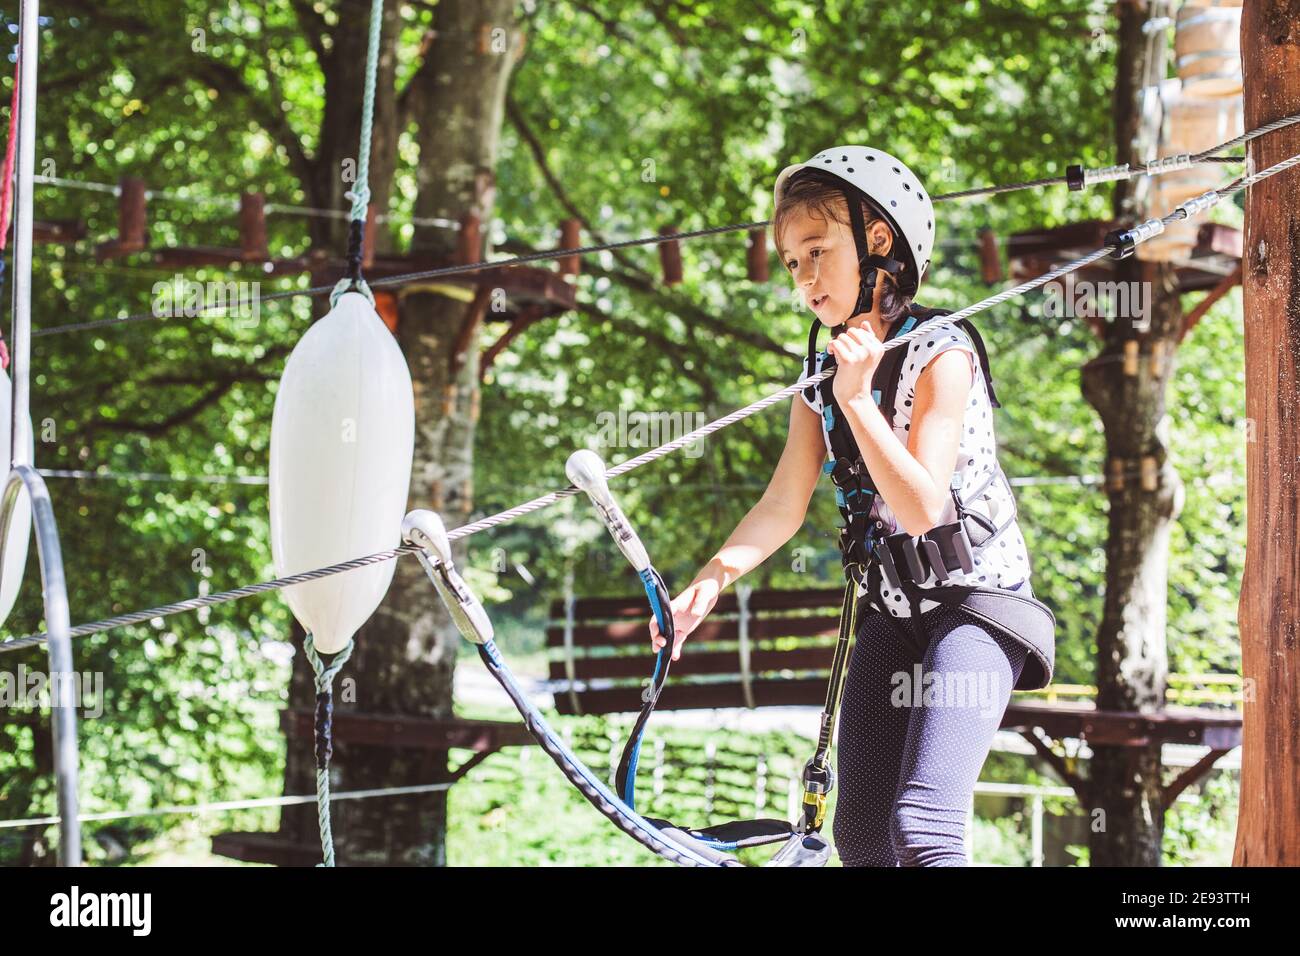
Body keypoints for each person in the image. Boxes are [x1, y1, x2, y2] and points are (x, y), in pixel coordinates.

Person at [647, 146, 1054, 867]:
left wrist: (859, 400)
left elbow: (927, 508)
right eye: (791, 264)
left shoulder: (943, 352)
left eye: (816, 251)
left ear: (878, 241)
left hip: (978, 609)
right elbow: (783, 503)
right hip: (896, 616)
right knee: (861, 838)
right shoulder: (822, 373)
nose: (803, 279)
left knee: (923, 827)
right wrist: (707, 583)